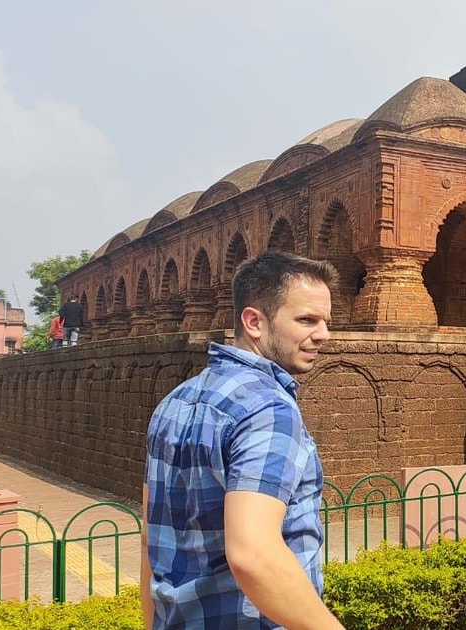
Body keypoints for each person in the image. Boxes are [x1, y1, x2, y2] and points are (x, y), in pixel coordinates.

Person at [141, 251, 345, 630]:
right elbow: (254, 554)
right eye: (306, 320)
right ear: (254, 321)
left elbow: (151, 540)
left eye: (325, 321)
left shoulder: (174, 402)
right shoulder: (268, 409)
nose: (323, 334)